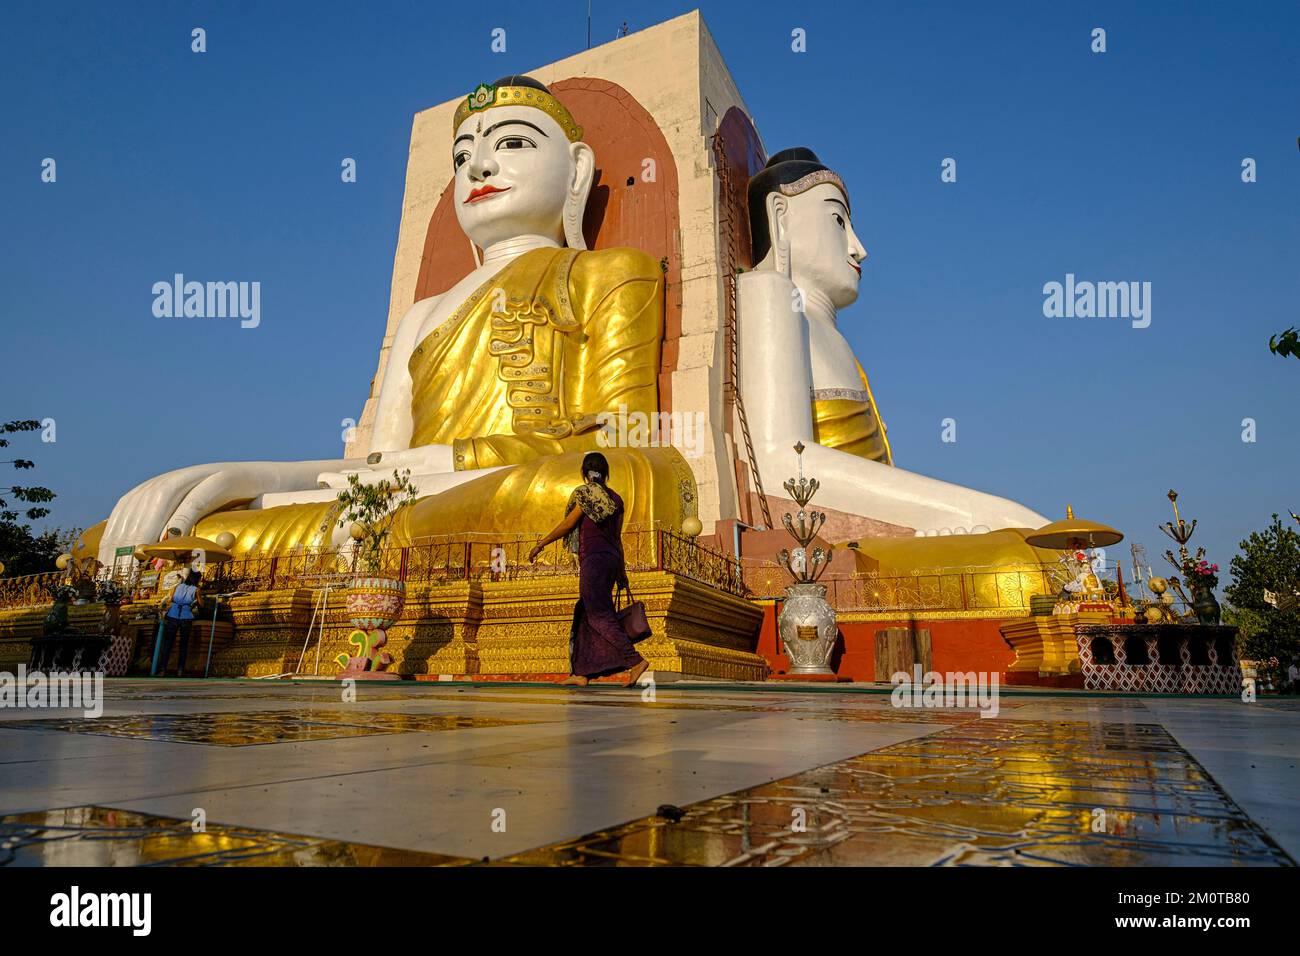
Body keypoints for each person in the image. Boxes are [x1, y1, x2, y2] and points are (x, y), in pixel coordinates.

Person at [528, 452, 649, 688]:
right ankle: (582, 672)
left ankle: (634, 660)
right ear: (606, 473)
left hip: (594, 560)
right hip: (611, 559)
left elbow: (568, 524)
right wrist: (621, 572)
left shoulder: (584, 494)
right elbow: (617, 537)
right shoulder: (616, 498)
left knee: (599, 614)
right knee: (585, 613)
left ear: (584, 473)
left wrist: (541, 544)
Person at [157, 569, 202, 677]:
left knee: (168, 644)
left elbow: (171, 599)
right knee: (183, 645)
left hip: (173, 615)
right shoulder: (196, 589)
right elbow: (201, 604)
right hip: (186, 617)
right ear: (197, 579)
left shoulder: (177, 586)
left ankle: (162, 670)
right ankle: (180, 670)